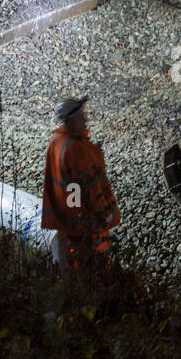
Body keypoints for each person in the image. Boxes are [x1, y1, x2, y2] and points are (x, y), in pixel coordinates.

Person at [41, 96, 120, 272]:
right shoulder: (76, 150)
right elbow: (84, 187)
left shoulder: (56, 142)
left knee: (71, 259)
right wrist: (104, 214)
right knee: (97, 261)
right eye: (80, 115)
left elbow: (66, 186)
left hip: (64, 221)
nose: (85, 118)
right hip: (85, 224)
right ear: (71, 120)